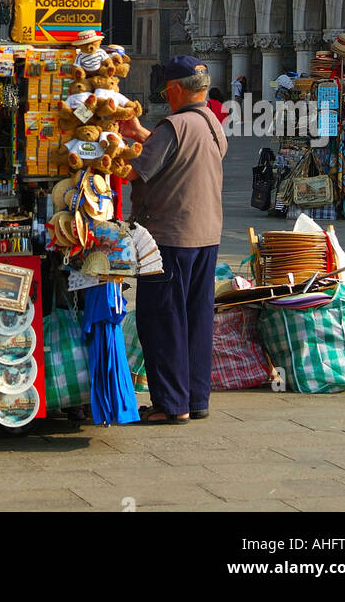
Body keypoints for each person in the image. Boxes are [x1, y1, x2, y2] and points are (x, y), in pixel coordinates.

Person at [118, 55, 228, 425]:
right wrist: (139, 133)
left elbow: (136, 171)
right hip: (206, 235)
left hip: (167, 238)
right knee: (196, 320)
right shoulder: (211, 122)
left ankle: (170, 403)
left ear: (177, 89)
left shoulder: (172, 125)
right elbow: (177, 154)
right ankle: (195, 399)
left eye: (167, 89)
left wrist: (109, 148)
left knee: (163, 319)